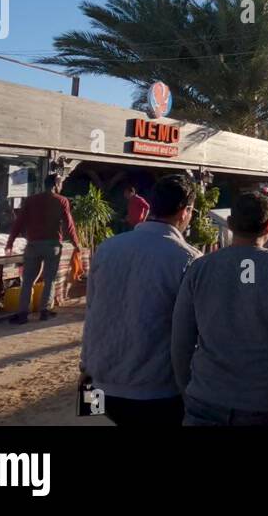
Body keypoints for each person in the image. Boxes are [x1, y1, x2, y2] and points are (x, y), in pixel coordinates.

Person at [172, 191, 268, 426]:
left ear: (231, 224)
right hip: (265, 404)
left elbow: (181, 340)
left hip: (205, 401)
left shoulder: (199, 268)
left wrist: (189, 389)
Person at [80, 175, 199, 426]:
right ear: (184, 211)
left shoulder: (107, 248)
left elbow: (91, 311)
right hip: (156, 392)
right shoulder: (189, 259)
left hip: (96, 381)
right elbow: (194, 332)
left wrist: (85, 368)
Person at [5, 174, 83, 324]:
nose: (61, 187)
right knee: (49, 279)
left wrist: (10, 242)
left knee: (27, 280)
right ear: (55, 184)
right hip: (52, 245)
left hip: (33, 244)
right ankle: (44, 311)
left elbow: (19, 222)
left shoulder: (31, 200)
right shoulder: (62, 201)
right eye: (60, 184)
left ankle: (22, 313)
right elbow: (69, 224)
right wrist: (76, 243)